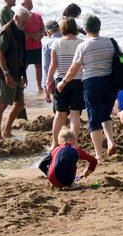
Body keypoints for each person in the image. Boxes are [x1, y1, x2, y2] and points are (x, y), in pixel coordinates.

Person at [60, 14, 118, 161]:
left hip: (92, 83)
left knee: (94, 119)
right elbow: (120, 60)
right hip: (110, 83)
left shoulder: (83, 46)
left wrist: (64, 82)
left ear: (85, 30)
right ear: (99, 27)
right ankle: (111, 142)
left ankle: (98, 154)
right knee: (105, 114)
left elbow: (74, 69)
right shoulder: (111, 42)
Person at [0, 7, 29, 140]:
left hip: (17, 72)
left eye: (26, 22)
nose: (24, 25)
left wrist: (24, 74)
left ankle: (6, 131)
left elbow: (21, 52)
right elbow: (0, 54)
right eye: (23, 22)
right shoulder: (6, 31)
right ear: (16, 18)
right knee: (2, 104)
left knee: (19, 103)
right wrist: (6, 74)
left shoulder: (20, 30)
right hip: (5, 73)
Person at [47, 17, 84, 146]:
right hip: (77, 80)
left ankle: (55, 143)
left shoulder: (56, 43)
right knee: (75, 114)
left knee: (59, 114)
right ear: (75, 28)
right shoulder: (81, 43)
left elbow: (53, 64)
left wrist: (48, 81)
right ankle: (73, 144)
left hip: (60, 80)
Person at [21, 0, 46, 93]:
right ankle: (22, 86)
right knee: (24, 67)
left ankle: (39, 86)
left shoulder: (37, 15)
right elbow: (20, 31)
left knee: (38, 66)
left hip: (37, 46)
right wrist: (32, 36)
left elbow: (43, 29)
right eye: (29, 3)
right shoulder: (21, 17)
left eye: (31, 3)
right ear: (22, 5)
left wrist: (41, 35)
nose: (31, 5)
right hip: (26, 46)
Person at [41, 20, 61, 103]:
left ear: (48, 33)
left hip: (57, 79)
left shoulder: (48, 44)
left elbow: (46, 66)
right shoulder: (69, 40)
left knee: (59, 109)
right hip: (74, 78)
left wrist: (46, 86)